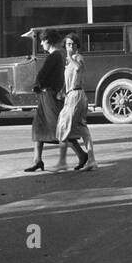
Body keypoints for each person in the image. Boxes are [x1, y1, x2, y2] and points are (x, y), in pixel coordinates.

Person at [24, 29, 87, 173]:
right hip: (48, 96)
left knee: (60, 128)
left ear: (48, 41)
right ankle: (37, 160)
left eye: (42, 40)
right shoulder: (59, 55)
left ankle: (82, 155)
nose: (41, 43)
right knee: (39, 126)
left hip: (50, 96)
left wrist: (37, 85)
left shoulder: (54, 56)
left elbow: (43, 74)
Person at [55, 33, 97, 172]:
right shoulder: (68, 62)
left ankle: (70, 161)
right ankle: (88, 158)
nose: (71, 46)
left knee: (66, 126)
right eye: (68, 44)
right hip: (71, 96)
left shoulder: (77, 58)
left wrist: (69, 56)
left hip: (77, 95)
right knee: (75, 128)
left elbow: (78, 68)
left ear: (77, 45)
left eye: (73, 44)